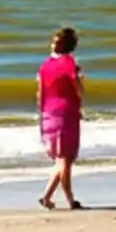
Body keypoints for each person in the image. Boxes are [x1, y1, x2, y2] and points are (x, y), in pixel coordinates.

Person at [37, 27, 84, 210]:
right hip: (66, 112)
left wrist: (42, 113)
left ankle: (47, 198)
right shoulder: (69, 63)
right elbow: (77, 89)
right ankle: (71, 200)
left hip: (48, 113)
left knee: (61, 159)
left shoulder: (44, 65)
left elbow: (40, 93)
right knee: (65, 159)